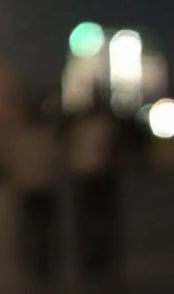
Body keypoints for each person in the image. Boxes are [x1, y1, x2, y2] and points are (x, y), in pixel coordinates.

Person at [5, 96, 62, 285]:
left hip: (28, 190)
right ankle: (44, 263)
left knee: (31, 229)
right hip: (44, 188)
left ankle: (34, 263)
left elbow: (12, 163)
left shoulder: (20, 137)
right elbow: (55, 161)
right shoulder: (46, 136)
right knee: (44, 228)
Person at [68, 99, 125, 285]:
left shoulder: (80, 127)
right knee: (103, 220)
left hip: (85, 177)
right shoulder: (106, 126)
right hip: (100, 177)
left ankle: (91, 260)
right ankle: (102, 260)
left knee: (87, 220)